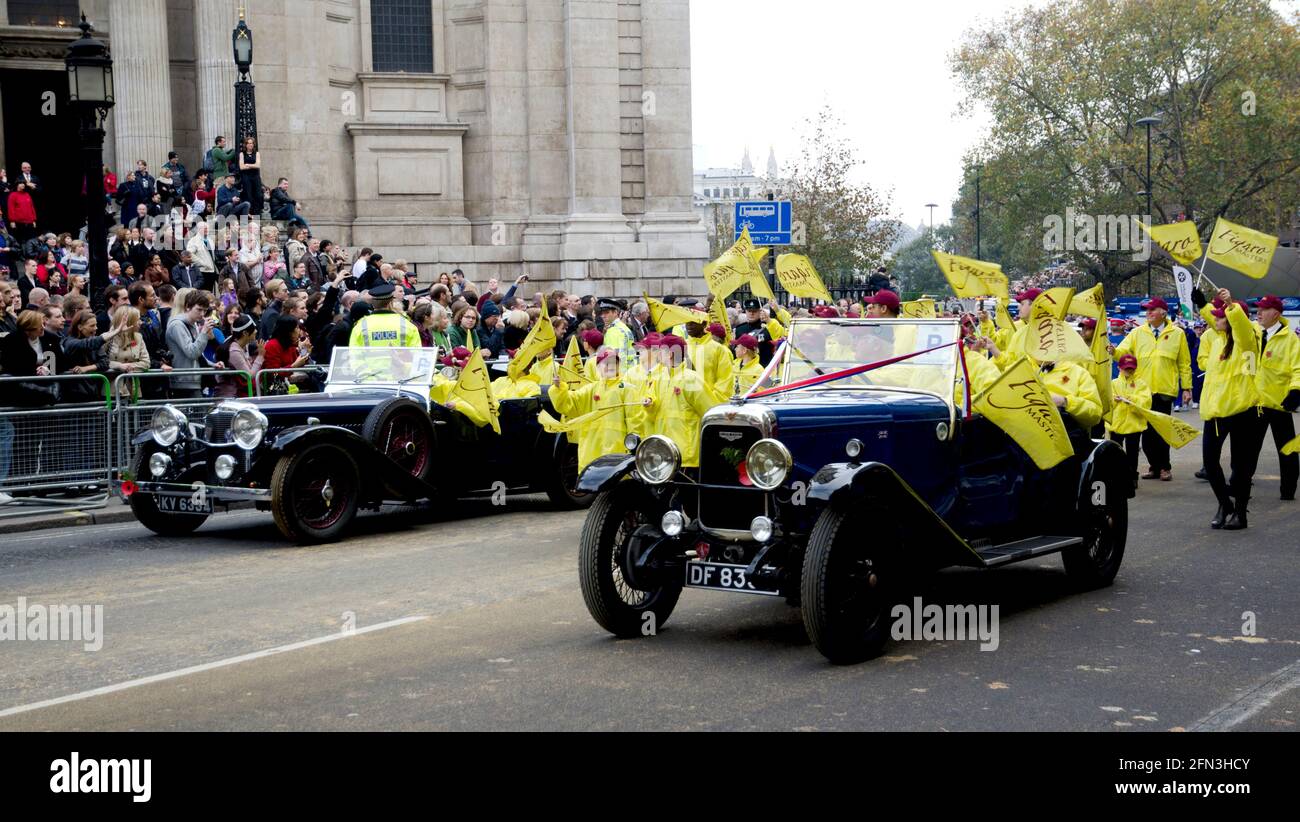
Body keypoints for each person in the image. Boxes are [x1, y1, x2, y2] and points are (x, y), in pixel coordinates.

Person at [1198, 290, 1262, 530]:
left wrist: (1230, 304)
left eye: (1220, 316)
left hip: (1242, 412)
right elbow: (1215, 322)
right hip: (1215, 414)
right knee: (1210, 464)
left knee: (1241, 469)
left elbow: (1243, 329)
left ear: (1234, 318)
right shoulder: (1217, 342)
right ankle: (1226, 504)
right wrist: (1204, 305)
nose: (1215, 319)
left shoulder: (1248, 343)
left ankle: (1240, 514)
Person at [1110, 296, 1192, 481]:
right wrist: (1114, 352)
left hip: (1164, 390)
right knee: (1146, 435)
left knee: (1162, 432)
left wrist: (1187, 388)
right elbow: (1122, 352)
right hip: (1142, 391)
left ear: (1163, 313)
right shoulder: (1137, 332)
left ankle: (1164, 467)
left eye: (1152, 310)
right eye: (1146, 310)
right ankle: (1155, 466)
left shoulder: (1178, 334)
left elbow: (1184, 363)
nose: (1148, 313)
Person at [549, 349, 645, 472]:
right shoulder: (591, 389)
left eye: (614, 363)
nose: (610, 366)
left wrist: (633, 446)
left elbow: (635, 419)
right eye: (606, 363)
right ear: (598, 367)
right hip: (591, 448)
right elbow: (570, 403)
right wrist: (559, 388)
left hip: (616, 447)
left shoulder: (626, 388)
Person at [1251, 294, 1300, 501]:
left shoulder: (1290, 339)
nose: (1259, 313)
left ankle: (1288, 490)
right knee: (1248, 449)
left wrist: (1295, 391)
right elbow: (1249, 367)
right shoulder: (1253, 335)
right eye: (1258, 309)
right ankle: (1240, 486)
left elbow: (1297, 368)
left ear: (1277, 314)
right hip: (1255, 403)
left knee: (1287, 450)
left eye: (1264, 309)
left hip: (1279, 403)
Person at [1107, 354, 1152, 492]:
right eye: (1126, 368)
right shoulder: (1113, 383)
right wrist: (1115, 399)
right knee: (1116, 453)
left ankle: (1133, 477)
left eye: (1131, 368)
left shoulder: (1141, 384)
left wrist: (1131, 399)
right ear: (1119, 368)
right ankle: (1118, 477)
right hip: (1116, 425)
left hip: (1134, 425)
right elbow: (1107, 401)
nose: (1129, 371)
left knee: (1133, 454)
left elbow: (1146, 402)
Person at [166, 290, 221, 398]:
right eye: (199, 310)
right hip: (183, 383)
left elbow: (198, 355)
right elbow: (192, 353)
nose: (202, 314)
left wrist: (213, 365)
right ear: (187, 307)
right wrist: (204, 332)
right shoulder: (177, 325)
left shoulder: (192, 324)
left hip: (194, 380)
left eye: (204, 311)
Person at [348, 282, 419, 348]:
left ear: (372, 304)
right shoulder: (407, 325)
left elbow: (354, 356)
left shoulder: (360, 326)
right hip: (399, 362)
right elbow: (416, 355)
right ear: (391, 302)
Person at [214, 314, 259, 398]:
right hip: (229, 397)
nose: (256, 331)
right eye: (253, 329)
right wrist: (260, 357)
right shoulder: (234, 350)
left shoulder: (243, 345)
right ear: (245, 333)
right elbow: (248, 375)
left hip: (238, 395)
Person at [596, 298, 634, 363]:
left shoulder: (613, 331)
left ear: (615, 312)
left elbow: (612, 358)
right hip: (628, 369)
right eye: (602, 313)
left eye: (607, 312)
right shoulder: (623, 327)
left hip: (618, 370)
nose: (603, 316)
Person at [238, 136, 264, 216]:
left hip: (255, 176)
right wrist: (253, 165)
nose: (250, 145)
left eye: (252, 143)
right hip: (246, 177)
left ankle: (257, 213)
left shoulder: (257, 153)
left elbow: (258, 165)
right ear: (246, 145)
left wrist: (248, 164)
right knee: (248, 194)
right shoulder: (242, 154)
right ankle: (249, 212)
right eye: (248, 143)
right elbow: (241, 167)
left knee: (258, 194)